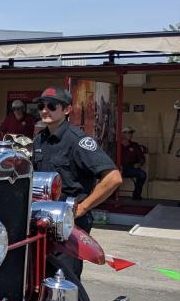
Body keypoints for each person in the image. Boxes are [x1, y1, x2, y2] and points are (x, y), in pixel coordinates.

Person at [32, 86, 122, 276]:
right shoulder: (40, 141)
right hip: (43, 223)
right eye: (41, 105)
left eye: (52, 105)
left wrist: (83, 207)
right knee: (40, 280)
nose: (45, 110)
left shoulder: (78, 141)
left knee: (65, 280)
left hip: (69, 225)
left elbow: (113, 178)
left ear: (66, 110)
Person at [119, 126, 148, 200]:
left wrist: (139, 164)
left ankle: (136, 195)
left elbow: (142, 158)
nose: (129, 134)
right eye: (126, 132)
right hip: (116, 168)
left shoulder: (135, 145)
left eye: (131, 132)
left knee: (142, 174)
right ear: (121, 134)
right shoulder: (116, 145)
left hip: (130, 168)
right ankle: (109, 196)